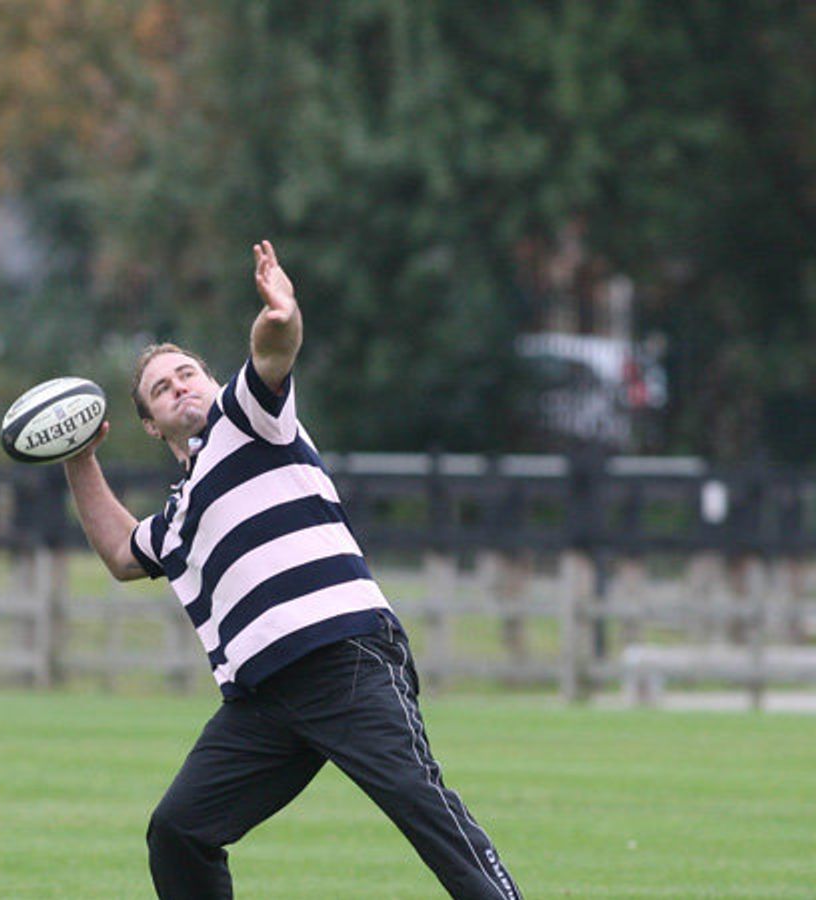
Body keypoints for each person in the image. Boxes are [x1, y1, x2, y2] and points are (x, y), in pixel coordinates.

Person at [59, 240, 523, 900]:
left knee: (426, 814)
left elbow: (273, 351)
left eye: (187, 372)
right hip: (262, 702)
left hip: (344, 659)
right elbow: (121, 553)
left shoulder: (244, 421)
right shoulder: (178, 515)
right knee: (179, 831)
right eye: (160, 389)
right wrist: (77, 457)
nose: (178, 387)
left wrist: (281, 311)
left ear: (213, 382)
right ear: (151, 426)